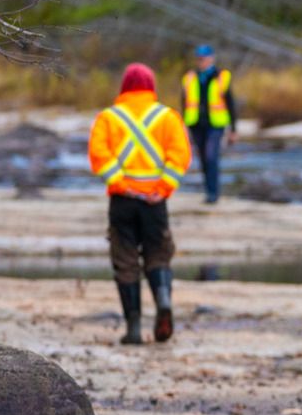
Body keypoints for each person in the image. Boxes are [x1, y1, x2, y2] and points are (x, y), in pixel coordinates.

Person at [88, 63, 191, 344]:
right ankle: (164, 301)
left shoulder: (109, 117)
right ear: (151, 86)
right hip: (155, 202)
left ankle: (133, 330)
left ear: (124, 86)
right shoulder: (167, 117)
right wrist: (163, 187)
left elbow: (98, 154)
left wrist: (120, 182)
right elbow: (180, 155)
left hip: (122, 201)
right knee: (159, 255)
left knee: (125, 260)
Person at [181, 44, 237, 204]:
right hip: (196, 123)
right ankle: (208, 191)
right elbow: (184, 102)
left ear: (211, 58)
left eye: (204, 58)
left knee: (211, 156)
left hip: (216, 124)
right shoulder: (190, 77)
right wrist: (183, 124)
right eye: (199, 58)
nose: (201, 61)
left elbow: (231, 104)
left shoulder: (221, 76)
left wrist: (233, 129)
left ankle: (214, 193)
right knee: (204, 159)